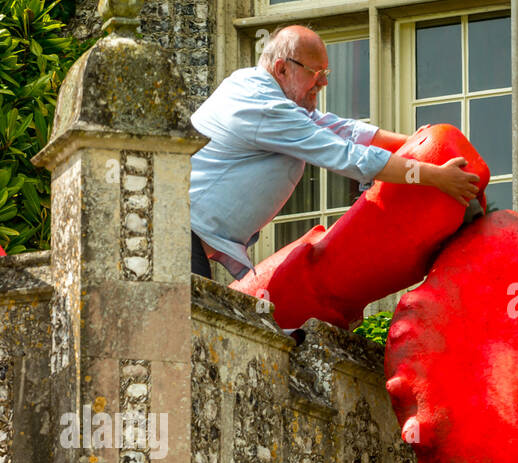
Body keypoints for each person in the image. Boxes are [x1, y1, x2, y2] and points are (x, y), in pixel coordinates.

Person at [190, 25, 481, 280]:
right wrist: (434, 176)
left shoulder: (265, 91)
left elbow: (342, 129)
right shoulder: (264, 106)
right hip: (180, 235)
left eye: (326, 73)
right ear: (282, 69)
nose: (324, 82)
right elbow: (346, 155)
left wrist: (417, 143)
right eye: (316, 73)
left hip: (188, 235)